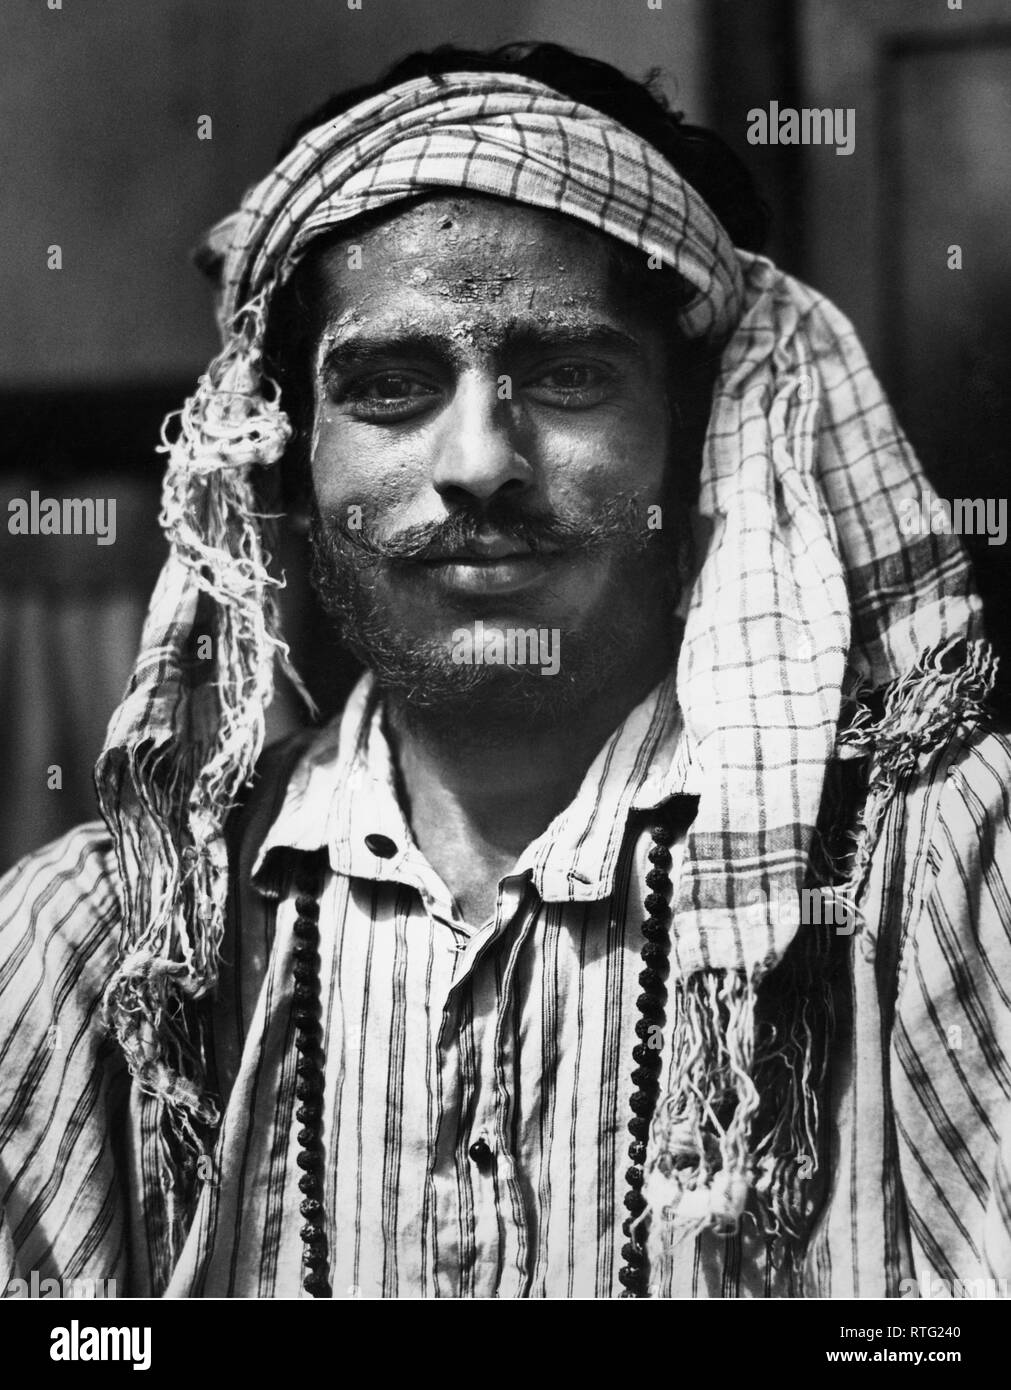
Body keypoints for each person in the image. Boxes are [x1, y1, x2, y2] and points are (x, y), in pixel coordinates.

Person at [2, 42, 1009, 1300]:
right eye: (390, 387)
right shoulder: (105, 948)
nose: (481, 461)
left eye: (569, 375)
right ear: (288, 465)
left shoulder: (931, 876)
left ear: (696, 442)